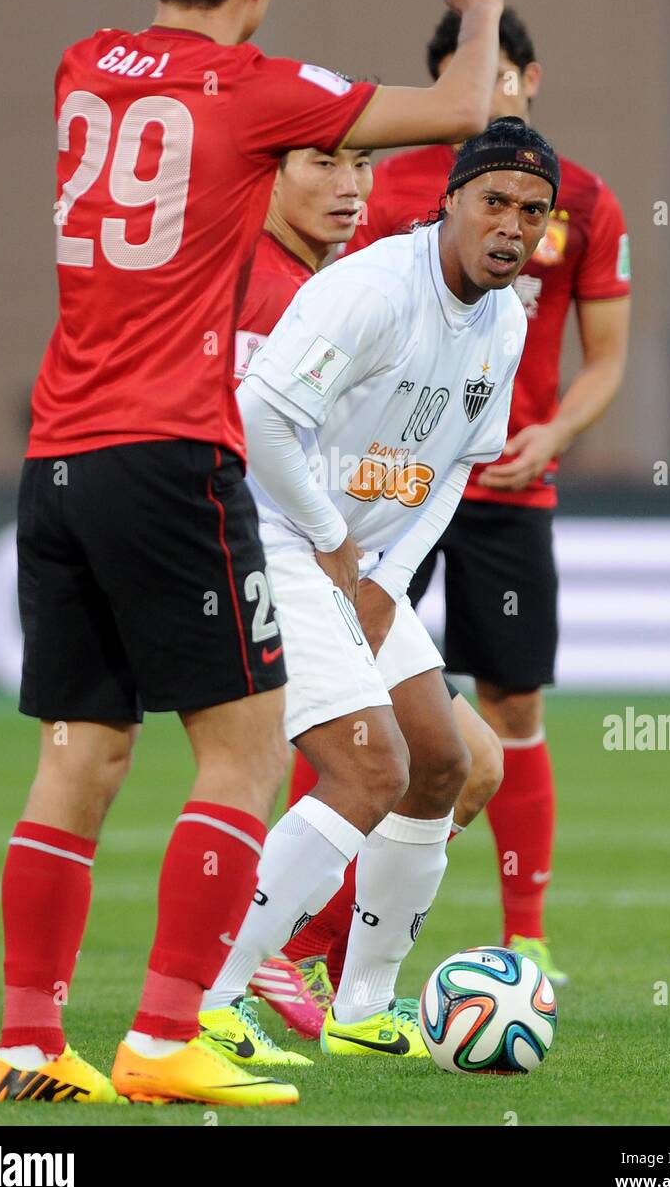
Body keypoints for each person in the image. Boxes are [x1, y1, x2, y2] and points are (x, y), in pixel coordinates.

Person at [0, 0, 508, 1107]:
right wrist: (479, 5)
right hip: (172, 456)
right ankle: (170, 1028)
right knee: (247, 754)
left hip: (57, 457)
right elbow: (455, 108)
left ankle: (24, 1046)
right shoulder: (254, 88)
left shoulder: (79, 63)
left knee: (77, 762)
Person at [198, 117, 556, 1063]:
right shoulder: (370, 292)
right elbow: (260, 417)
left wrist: (385, 580)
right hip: (278, 540)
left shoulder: (507, 321)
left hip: (356, 568)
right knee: (370, 768)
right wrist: (329, 544)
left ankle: (362, 1005)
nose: (511, 227)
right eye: (494, 202)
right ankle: (212, 994)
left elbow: (451, 472)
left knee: (448, 763)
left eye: (532, 211)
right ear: (449, 201)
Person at [326, 8, 632, 986]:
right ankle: (315, 939)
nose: (487, 93)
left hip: (509, 488)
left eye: (499, 74)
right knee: (348, 700)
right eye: (465, 75)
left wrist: (556, 429)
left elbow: (607, 359)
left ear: (530, 79)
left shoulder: (582, 202)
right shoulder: (387, 188)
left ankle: (525, 935)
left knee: (511, 701)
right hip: (393, 487)